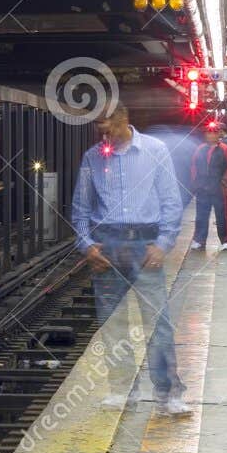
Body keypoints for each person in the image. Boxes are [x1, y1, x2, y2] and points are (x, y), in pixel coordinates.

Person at [71, 101, 189, 416]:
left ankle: (168, 394)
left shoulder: (155, 150)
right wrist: (87, 246)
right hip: (107, 249)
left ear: (124, 119)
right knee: (113, 324)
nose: (102, 133)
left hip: (145, 244)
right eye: (98, 127)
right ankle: (123, 391)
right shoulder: (92, 158)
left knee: (158, 322)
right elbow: (80, 210)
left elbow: (170, 201)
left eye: (107, 125)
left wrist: (163, 243)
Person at [189, 126, 227, 253]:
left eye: (214, 133)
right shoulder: (200, 149)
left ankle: (226, 241)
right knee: (201, 215)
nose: (211, 136)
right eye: (208, 133)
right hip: (203, 188)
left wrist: (225, 181)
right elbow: (194, 166)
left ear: (218, 135)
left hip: (219, 188)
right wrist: (196, 183)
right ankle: (199, 240)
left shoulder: (225, 149)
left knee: (223, 215)